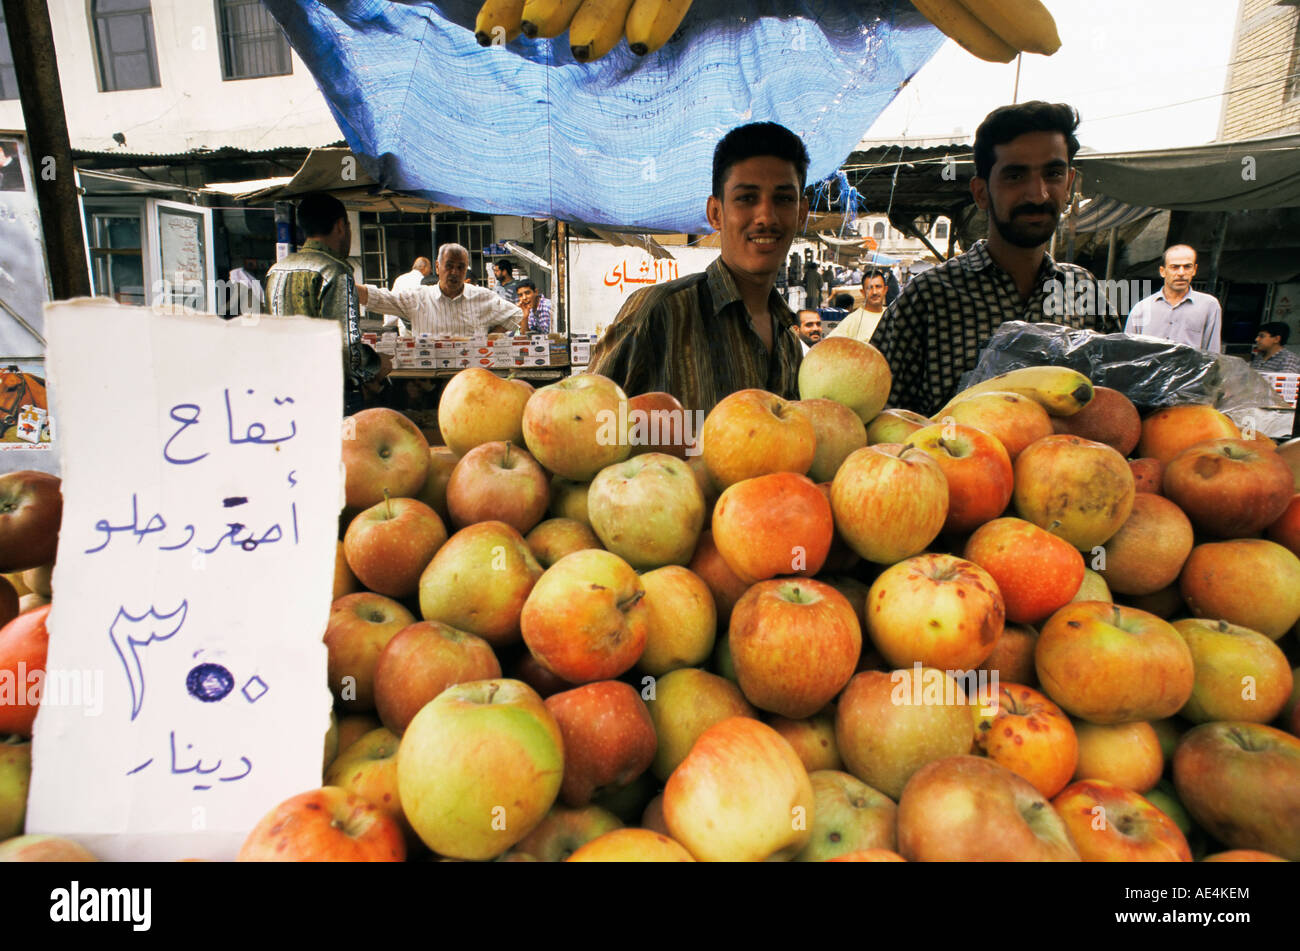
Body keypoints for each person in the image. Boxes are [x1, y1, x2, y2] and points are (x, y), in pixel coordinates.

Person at [872, 102, 1121, 416]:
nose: (1038, 194)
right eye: (1015, 176)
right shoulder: (929, 298)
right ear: (981, 193)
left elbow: (1116, 406)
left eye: (1053, 174)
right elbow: (878, 419)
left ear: (1069, 183)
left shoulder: (1083, 290)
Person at [587, 121, 809, 414]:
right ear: (716, 213)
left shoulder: (789, 342)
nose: (766, 217)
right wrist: (666, 441)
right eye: (746, 198)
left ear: (801, 213)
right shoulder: (658, 313)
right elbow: (584, 427)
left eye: (783, 199)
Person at [265, 192, 386, 415]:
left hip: (288, 395)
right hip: (331, 398)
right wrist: (377, 365)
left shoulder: (276, 271)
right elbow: (347, 350)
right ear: (340, 226)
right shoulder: (335, 271)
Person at [357, 243, 522, 336]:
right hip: (429, 380)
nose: (454, 273)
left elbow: (516, 314)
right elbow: (379, 298)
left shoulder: (482, 297)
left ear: (466, 270)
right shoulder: (418, 298)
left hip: (470, 379)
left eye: (460, 267)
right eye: (449, 266)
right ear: (437, 267)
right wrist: (347, 284)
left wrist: (491, 337)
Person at [1124, 245, 1222, 353]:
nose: (1181, 273)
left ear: (1194, 270)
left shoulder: (1209, 306)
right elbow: (1129, 352)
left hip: (1191, 370)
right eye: (1174, 267)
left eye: (1187, 267)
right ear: (1163, 271)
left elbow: (1212, 353)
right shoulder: (1141, 308)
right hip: (1151, 370)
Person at [828, 269, 889, 345]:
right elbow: (828, 344)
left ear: (885, 290)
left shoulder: (892, 315)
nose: (874, 292)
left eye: (878, 287)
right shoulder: (852, 320)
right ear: (863, 292)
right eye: (869, 288)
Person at [382, 257, 431, 336]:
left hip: (403, 323)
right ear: (424, 268)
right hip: (421, 324)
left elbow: (393, 300)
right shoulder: (424, 281)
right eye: (429, 268)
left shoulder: (400, 279)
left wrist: (391, 321)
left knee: (405, 347)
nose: (430, 271)